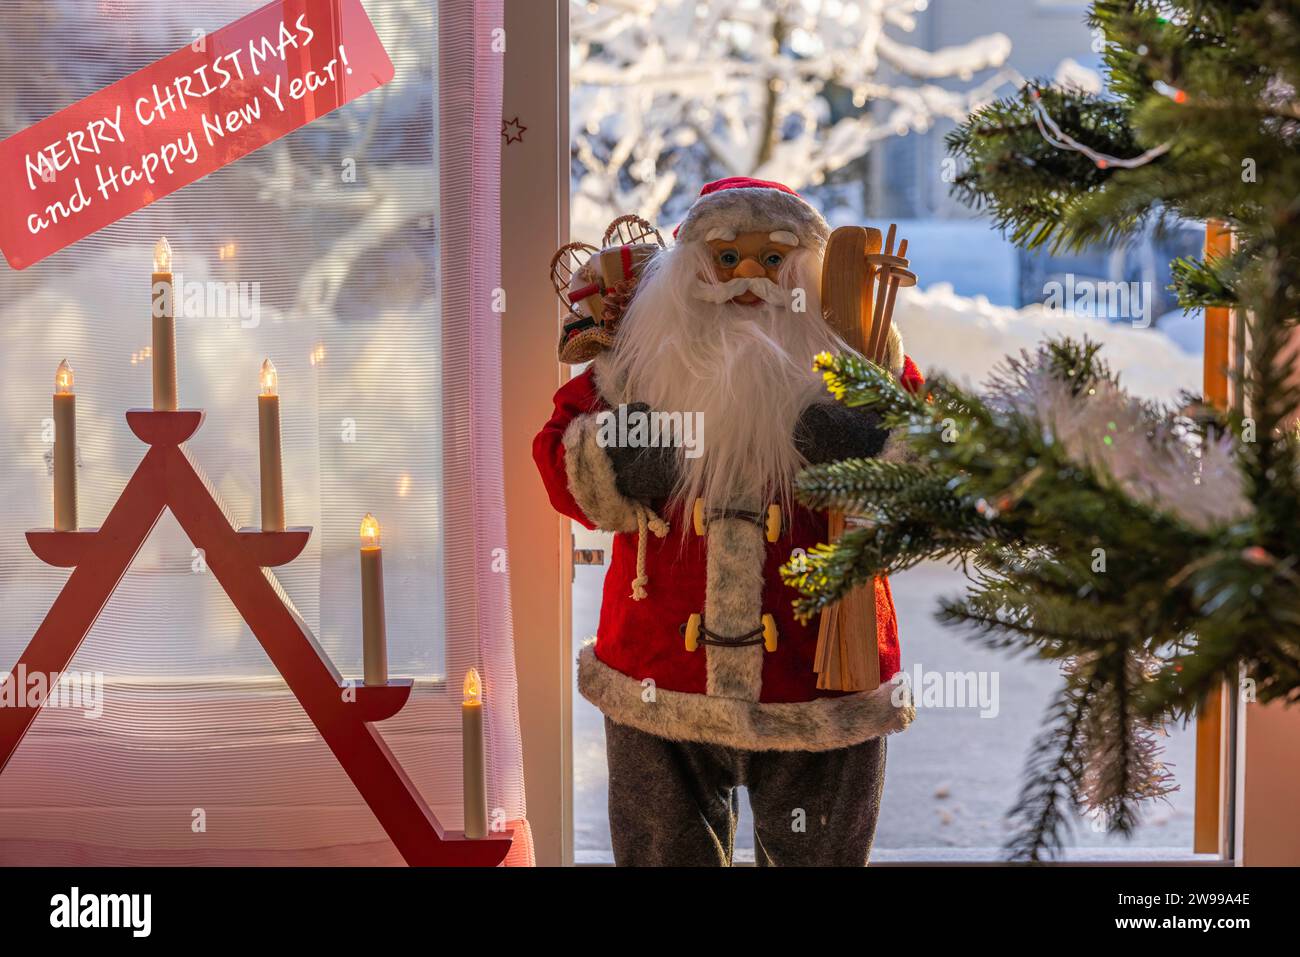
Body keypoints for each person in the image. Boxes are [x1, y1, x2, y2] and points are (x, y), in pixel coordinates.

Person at [534, 177, 923, 865]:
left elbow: (935, 468)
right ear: (688, 269)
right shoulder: (633, 363)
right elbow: (558, 461)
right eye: (726, 258)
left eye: (773, 260)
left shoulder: (865, 352)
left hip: (823, 674)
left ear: (806, 268)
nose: (748, 277)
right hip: (661, 671)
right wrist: (619, 460)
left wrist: (871, 445)